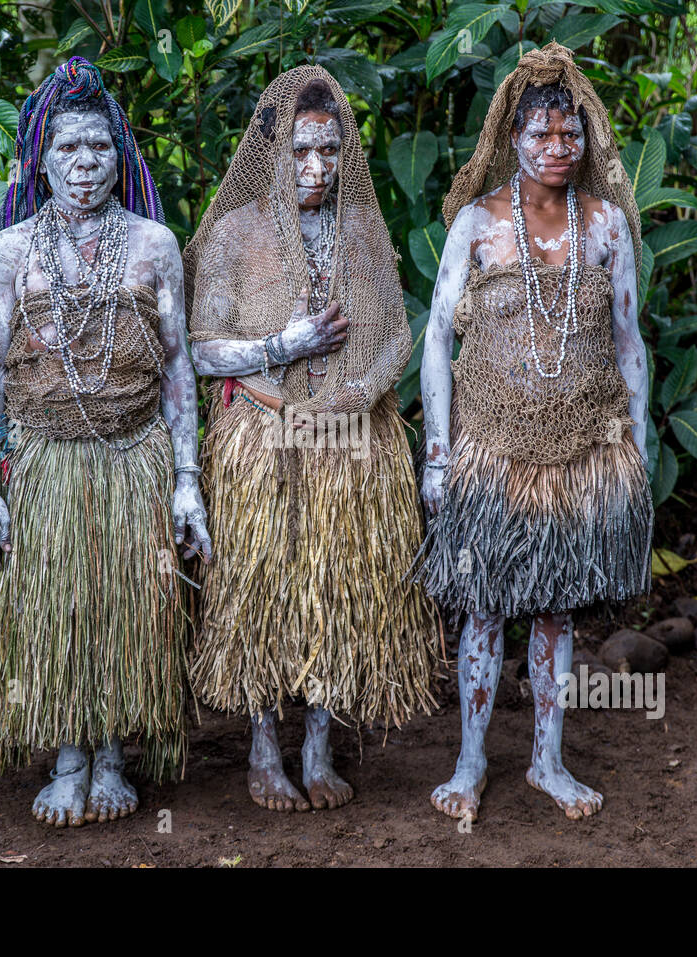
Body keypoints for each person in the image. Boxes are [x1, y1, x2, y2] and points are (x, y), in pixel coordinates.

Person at [0, 58, 211, 826]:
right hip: (43, 460)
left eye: (99, 149)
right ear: (41, 159)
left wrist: (186, 479)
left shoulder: (154, 245)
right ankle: (68, 755)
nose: (83, 165)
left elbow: (179, 373)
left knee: (125, 609)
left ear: (121, 156)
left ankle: (112, 755)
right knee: (61, 607)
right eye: (67, 149)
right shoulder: (12, 253)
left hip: (134, 455)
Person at [185, 66, 440, 812]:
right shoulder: (235, 233)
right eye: (300, 151)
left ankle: (319, 747)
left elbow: (396, 333)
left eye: (328, 152)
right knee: (264, 592)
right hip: (261, 439)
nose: (316, 169)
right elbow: (200, 351)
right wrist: (283, 343)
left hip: (350, 445)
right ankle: (265, 750)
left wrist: (365, 388)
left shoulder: (361, 227)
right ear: (272, 152)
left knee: (336, 590)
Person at [413, 43, 653, 822]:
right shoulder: (478, 224)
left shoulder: (608, 224)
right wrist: (439, 455)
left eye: (569, 134)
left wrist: (637, 446)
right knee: (484, 604)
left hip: (583, 449)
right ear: (510, 140)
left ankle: (548, 760)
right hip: (492, 447)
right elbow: (436, 342)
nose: (558, 149)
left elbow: (628, 340)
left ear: (587, 139)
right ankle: (471, 758)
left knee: (557, 608)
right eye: (541, 135)